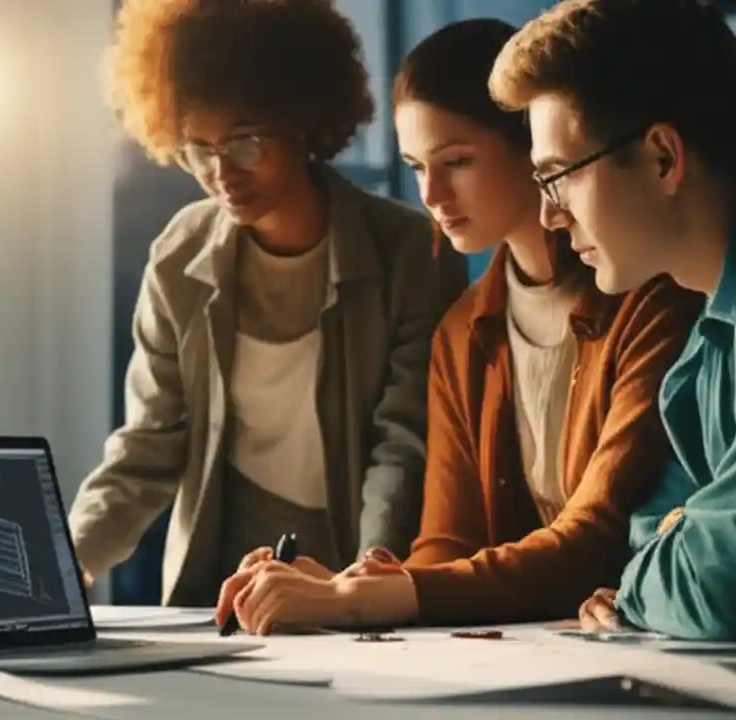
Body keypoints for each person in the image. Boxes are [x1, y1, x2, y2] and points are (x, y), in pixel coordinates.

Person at [213, 17, 702, 635]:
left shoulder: (650, 298)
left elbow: (596, 539)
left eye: (457, 161)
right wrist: (350, 584)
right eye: (417, 166)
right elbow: (447, 543)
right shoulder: (463, 329)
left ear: (532, 145)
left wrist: (363, 597)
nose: (432, 194)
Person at [66, 0, 467, 607]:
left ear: (301, 122)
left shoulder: (409, 250)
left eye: (245, 144)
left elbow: (404, 444)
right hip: (219, 584)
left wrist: (361, 585)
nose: (221, 172)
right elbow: (146, 448)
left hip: (351, 569)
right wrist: (58, 569)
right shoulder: (180, 256)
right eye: (198, 149)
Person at [488, 0, 736, 647]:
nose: (549, 217)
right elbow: (650, 540)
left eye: (557, 178)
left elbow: (733, 580)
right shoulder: (706, 340)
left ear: (662, 159)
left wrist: (686, 570)